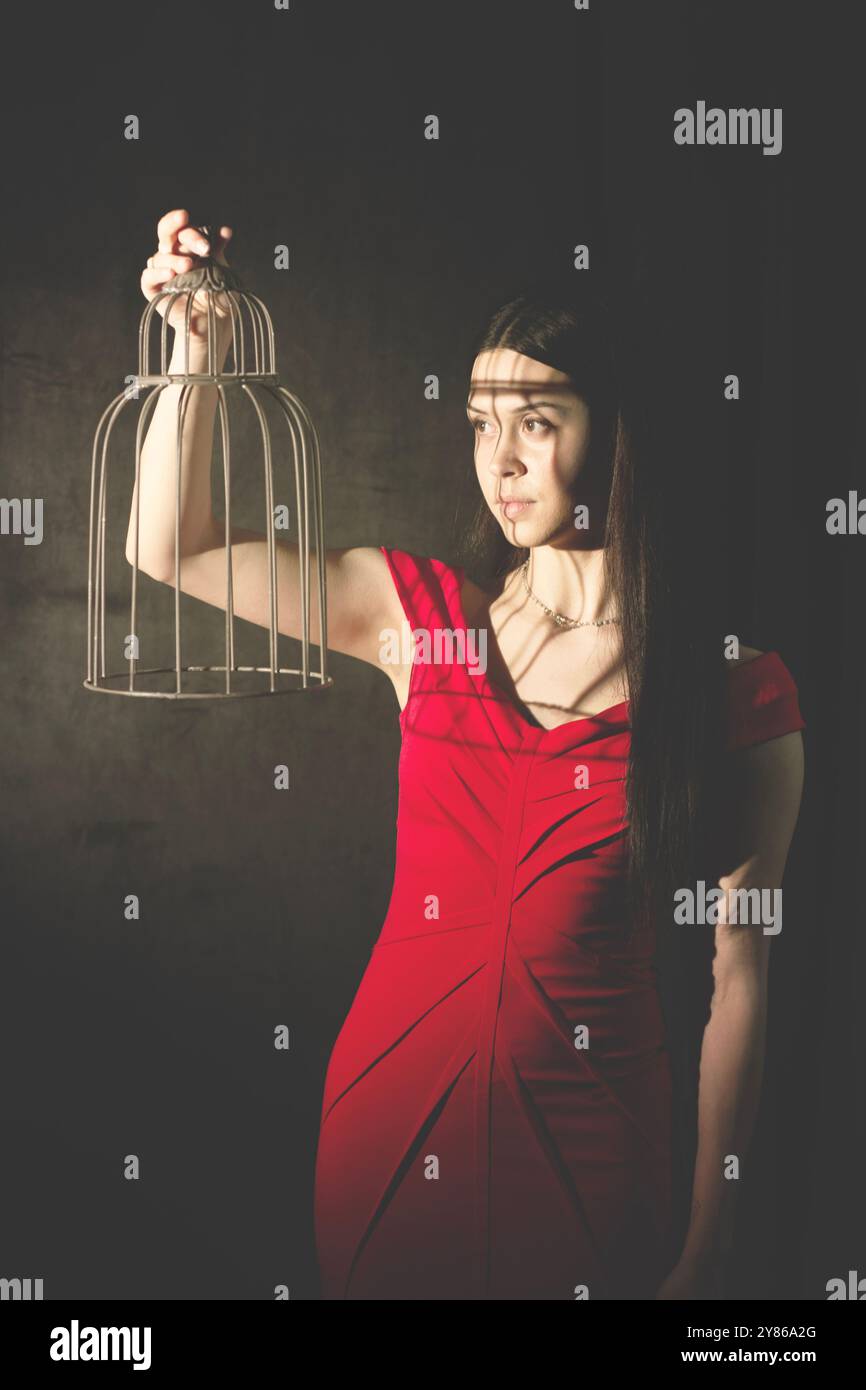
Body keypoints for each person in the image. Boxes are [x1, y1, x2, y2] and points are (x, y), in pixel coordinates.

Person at [133, 209, 806, 1300]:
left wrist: (709, 1243)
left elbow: (738, 983)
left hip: (597, 1156)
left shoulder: (734, 692)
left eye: (536, 421)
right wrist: (195, 350)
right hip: (388, 1131)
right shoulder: (419, 618)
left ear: (618, 426)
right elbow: (174, 547)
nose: (499, 459)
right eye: (480, 424)